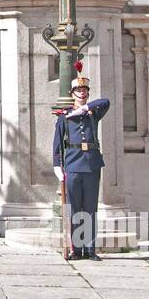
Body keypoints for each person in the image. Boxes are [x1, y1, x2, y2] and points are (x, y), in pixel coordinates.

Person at [52, 63, 110, 261]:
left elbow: (106, 101)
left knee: (90, 207)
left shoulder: (92, 112)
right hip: (74, 164)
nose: (82, 93)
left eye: (84, 90)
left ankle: (90, 249)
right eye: (78, 91)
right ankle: (77, 249)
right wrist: (57, 166)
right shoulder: (65, 117)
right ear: (72, 93)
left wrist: (85, 108)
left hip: (92, 164)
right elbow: (57, 143)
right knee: (76, 207)